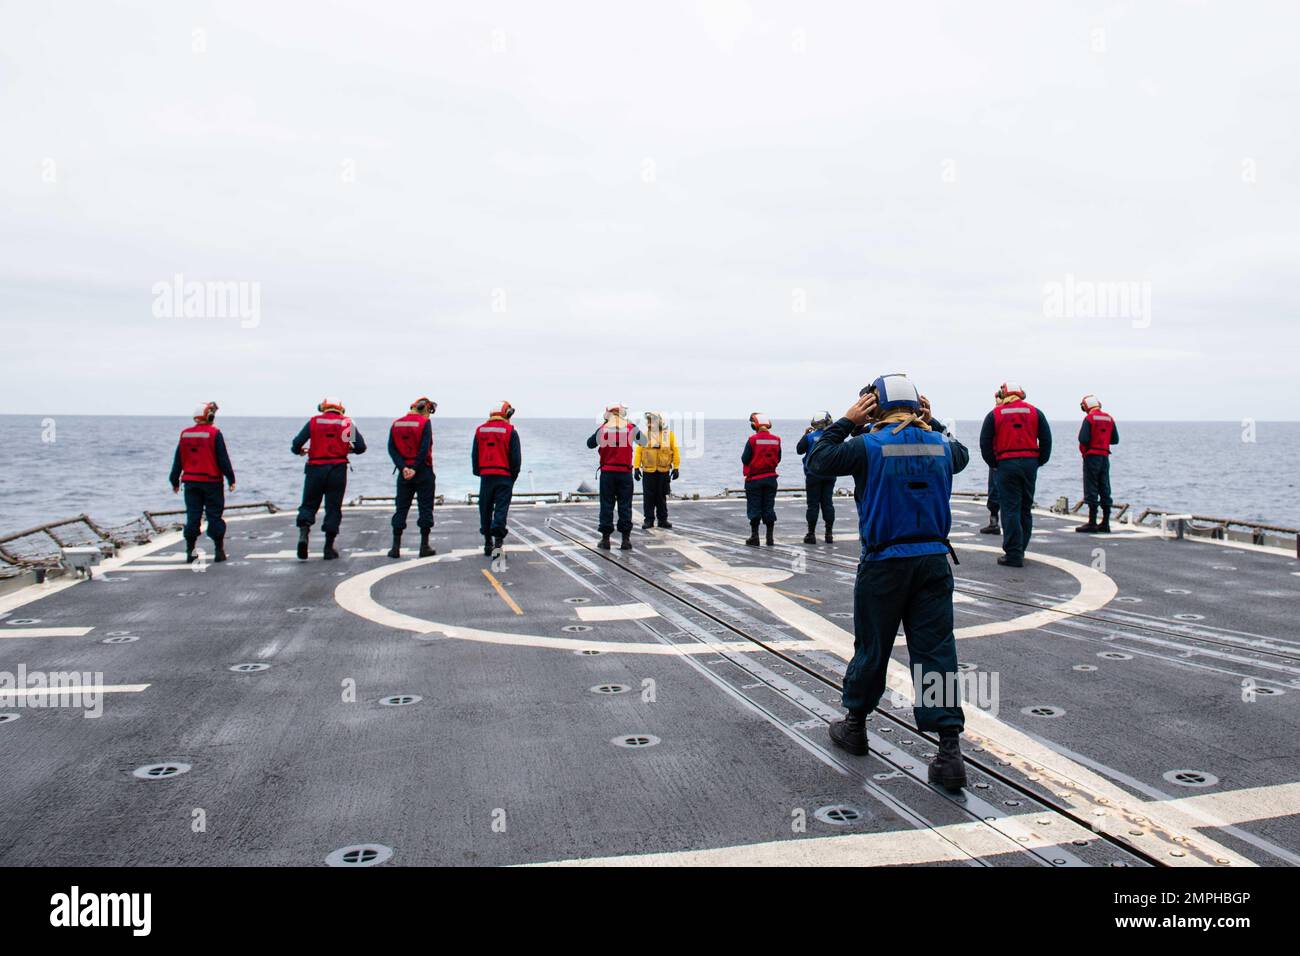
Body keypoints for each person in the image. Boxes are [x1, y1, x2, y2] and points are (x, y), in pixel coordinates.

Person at [807, 374, 969, 792]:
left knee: (873, 646)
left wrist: (844, 420)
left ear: (871, 406)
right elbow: (964, 455)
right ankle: (949, 752)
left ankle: (856, 726)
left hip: (884, 564)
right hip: (933, 561)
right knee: (937, 651)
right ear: (918, 406)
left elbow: (818, 461)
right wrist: (934, 425)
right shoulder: (942, 447)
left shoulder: (866, 447)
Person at [979, 383, 1051, 568]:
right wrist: (1038, 461)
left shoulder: (995, 414)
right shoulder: (1036, 413)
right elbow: (1046, 440)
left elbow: (985, 442)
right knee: (1025, 508)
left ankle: (1013, 553)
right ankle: (1021, 548)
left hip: (1006, 464)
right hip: (1029, 464)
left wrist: (994, 464)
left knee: (1010, 508)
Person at [291, 397, 366, 560]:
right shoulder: (345, 423)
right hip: (337, 470)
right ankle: (328, 547)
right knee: (333, 507)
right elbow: (360, 447)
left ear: (324, 408)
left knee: (309, 504)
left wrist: (301, 451)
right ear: (340, 409)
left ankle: (303, 535)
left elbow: (296, 444)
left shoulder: (314, 422)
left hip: (315, 469)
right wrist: (347, 449)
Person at [168, 401, 236, 564]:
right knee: (214, 515)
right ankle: (219, 551)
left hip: (190, 482)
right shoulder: (214, 434)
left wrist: (174, 480)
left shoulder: (185, 434)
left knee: (193, 516)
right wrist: (231, 478)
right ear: (210, 416)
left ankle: (190, 551)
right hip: (212, 482)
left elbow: (178, 460)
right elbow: (223, 459)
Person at [586, 403, 644, 550]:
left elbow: (590, 444)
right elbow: (643, 441)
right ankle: (625, 540)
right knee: (625, 505)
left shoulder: (604, 428)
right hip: (624, 473)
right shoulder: (630, 428)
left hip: (608, 474)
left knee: (606, 505)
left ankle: (605, 540)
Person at [386, 397, 437, 559]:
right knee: (425, 508)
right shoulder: (424, 423)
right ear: (424, 409)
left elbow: (391, 449)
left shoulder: (396, 424)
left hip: (404, 473)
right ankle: (424, 545)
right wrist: (415, 468)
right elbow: (424, 448)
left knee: (401, 508)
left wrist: (403, 468)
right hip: (423, 472)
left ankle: (395, 548)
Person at [472, 401, 522, 558]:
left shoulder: (480, 431)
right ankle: (498, 545)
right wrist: (512, 477)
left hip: (486, 475)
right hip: (504, 476)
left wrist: (479, 472)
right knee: (500, 510)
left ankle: (487, 543)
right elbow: (516, 459)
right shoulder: (510, 431)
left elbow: (475, 455)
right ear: (506, 414)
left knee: (485, 509)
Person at [1075, 394, 1119, 533]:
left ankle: (1092, 522)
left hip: (1091, 457)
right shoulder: (1109, 418)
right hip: (1104, 457)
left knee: (1091, 487)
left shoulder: (1089, 419)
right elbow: (1115, 439)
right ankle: (1105, 523)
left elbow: (1083, 438)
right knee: (1104, 486)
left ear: (1085, 406)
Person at [634, 412, 680, 529]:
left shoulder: (668, 435)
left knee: (661, 497)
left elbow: (675, 450)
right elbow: (639, 452)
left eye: (651, 421)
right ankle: (649, 520)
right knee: (648, 497)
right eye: (648, 421)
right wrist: (636, 467)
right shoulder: (644, 435)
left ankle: (662, 520)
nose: (649, 424)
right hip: (648, 471)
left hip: (663, 471)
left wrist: (676, 468)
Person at [741, 413, 781, 546]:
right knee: (769, 507)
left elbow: (745, 459)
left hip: (754, 480)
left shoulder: (752, 440)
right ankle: (770, 538)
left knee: (754, 507)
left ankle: (755, 536)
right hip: (771, 479)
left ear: (754, 426)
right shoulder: (777, 439)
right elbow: (779, 458)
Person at [797, 411, 835, 544]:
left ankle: (811, 534)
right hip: (830, 474)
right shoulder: (833, 437)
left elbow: (799, 450)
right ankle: (829, 534)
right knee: (828, 503)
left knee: (812, 505)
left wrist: (805, 434)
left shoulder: (810, 437)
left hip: (813, 475)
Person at [979, 466, 1000, 535]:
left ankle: (994, 523)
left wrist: (992, 462)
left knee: (994, 489)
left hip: (1000, 461)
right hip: (1026, 460)